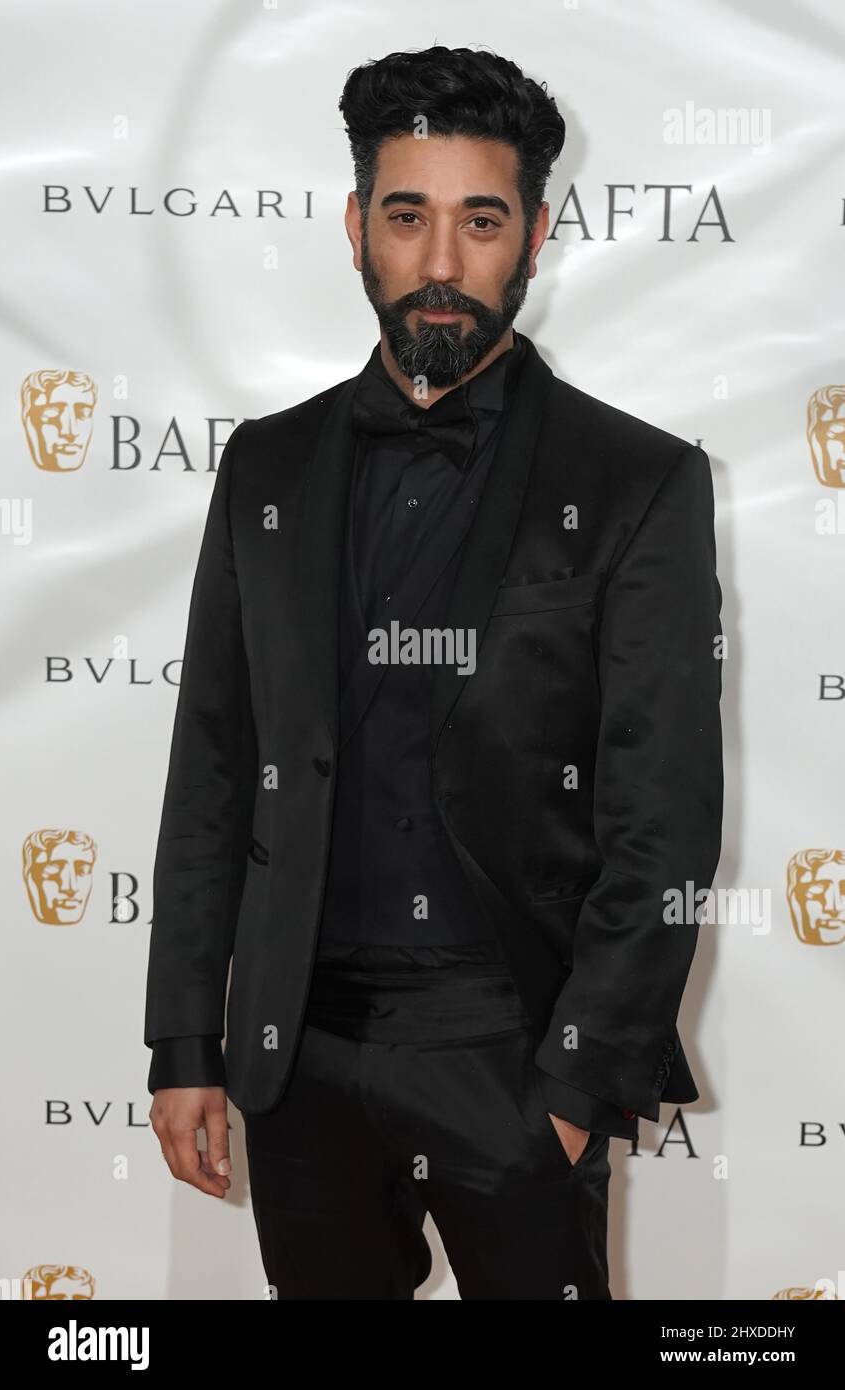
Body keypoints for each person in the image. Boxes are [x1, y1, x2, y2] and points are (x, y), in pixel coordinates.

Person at [145, 44, 724, 1300]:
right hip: (300, 1053)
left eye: (481, 219)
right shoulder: (268, 469)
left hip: (508, 1052)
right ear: (358, 225)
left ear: (536, 234)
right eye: (409, 217)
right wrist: (187, 1040)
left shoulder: (634, 481)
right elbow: (211, 765)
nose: (444, 263)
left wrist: (569, 1094)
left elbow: (663, 818)